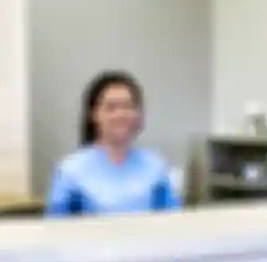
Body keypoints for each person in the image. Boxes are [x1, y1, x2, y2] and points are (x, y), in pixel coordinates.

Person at [45, 71, 182, 217]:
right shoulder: (70, 170)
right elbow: (56, 230)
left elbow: (172, 223)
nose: (121, 114)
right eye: (111, 108)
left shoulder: (155, 165)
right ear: (94, 114)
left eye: (128, 106)